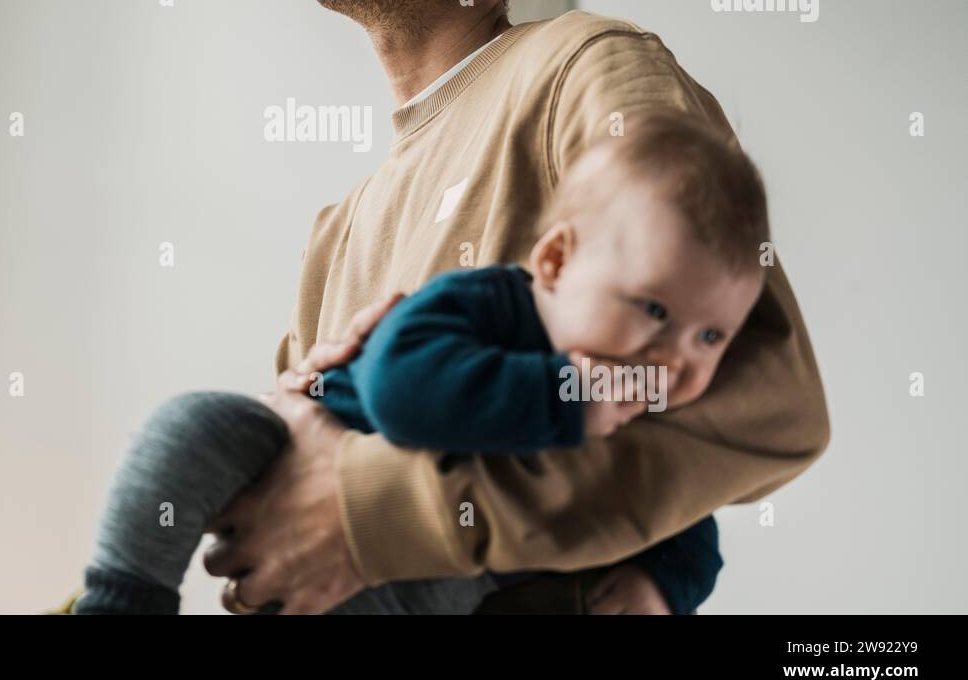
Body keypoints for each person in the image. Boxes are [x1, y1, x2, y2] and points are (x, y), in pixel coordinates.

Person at [197, 0, 829, 616]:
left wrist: (379, 515)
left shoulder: (584, 62)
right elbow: (289, 504)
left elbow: (773, 408)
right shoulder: (336, 232)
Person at [73, 114, 761, 615]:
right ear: (555, 261)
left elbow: (682, 514)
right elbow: (403, 393)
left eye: (711, 336)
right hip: (307, 454)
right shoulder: (484, 302)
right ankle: (121, 599)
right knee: (194, 428)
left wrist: (661, 587)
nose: (673, 359)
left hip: (430, 582)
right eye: (655, 312)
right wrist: (563, 395)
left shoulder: (645, 412)